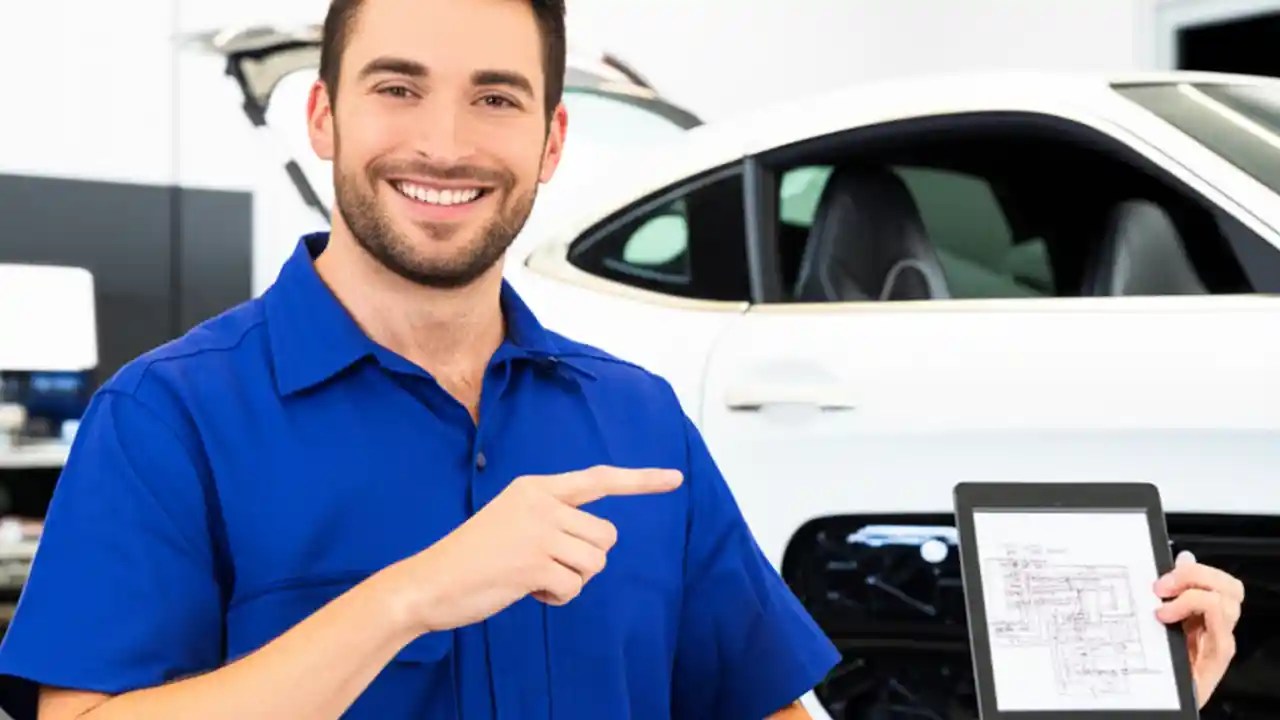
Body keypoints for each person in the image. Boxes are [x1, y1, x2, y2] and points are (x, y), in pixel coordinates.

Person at [0, 0, 1245, 718]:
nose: (444, 140)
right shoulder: (167, 419)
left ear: (547, 142)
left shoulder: (637, 425)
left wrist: (1113, 696)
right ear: (325, 117)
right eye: (397, 88)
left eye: (494, 99)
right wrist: (406, 600)